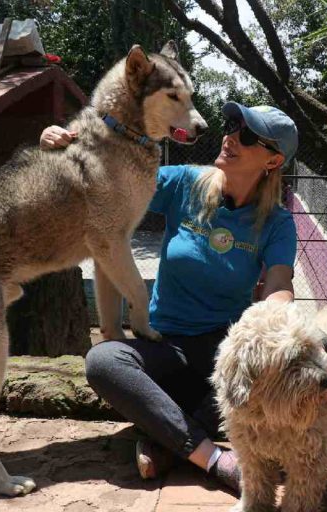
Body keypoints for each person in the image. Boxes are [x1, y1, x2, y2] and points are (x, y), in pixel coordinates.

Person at [39, 102, 299, 493]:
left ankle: (165, 439)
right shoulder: (183, 183)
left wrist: (277, 315)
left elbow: (279, 284)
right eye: (231, 125)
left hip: (222, 352)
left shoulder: (277, 222)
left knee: (256, 391)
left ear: (273, 160)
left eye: (246, 135)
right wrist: (61, 152)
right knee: (104, 361)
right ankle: (215, 460)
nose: (229, 137)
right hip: (161, 345)